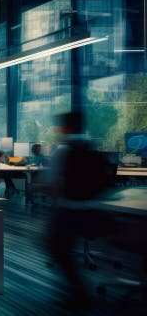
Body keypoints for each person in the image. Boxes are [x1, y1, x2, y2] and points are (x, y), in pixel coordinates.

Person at [46, 112, 116, 311]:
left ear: (64, 128)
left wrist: (52, 200)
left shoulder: (62, 151)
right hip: (98, 214)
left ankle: (80, 293)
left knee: (55, 247)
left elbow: (51, 184)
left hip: (71, 213)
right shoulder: (93, 150)